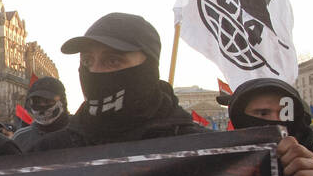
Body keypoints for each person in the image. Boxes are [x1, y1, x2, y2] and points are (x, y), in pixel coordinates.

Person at [27, 14, 203, 151]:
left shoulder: (204, 152)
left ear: (148, 67)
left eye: (112, 61)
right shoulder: (49, 153)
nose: (94, 72)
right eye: (87, 61)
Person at [11, 77, 70, 152]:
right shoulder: (20, 138)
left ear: (63, 101)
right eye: (36, 101)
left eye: (48, 101)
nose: (42, 106)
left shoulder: (79, 134)